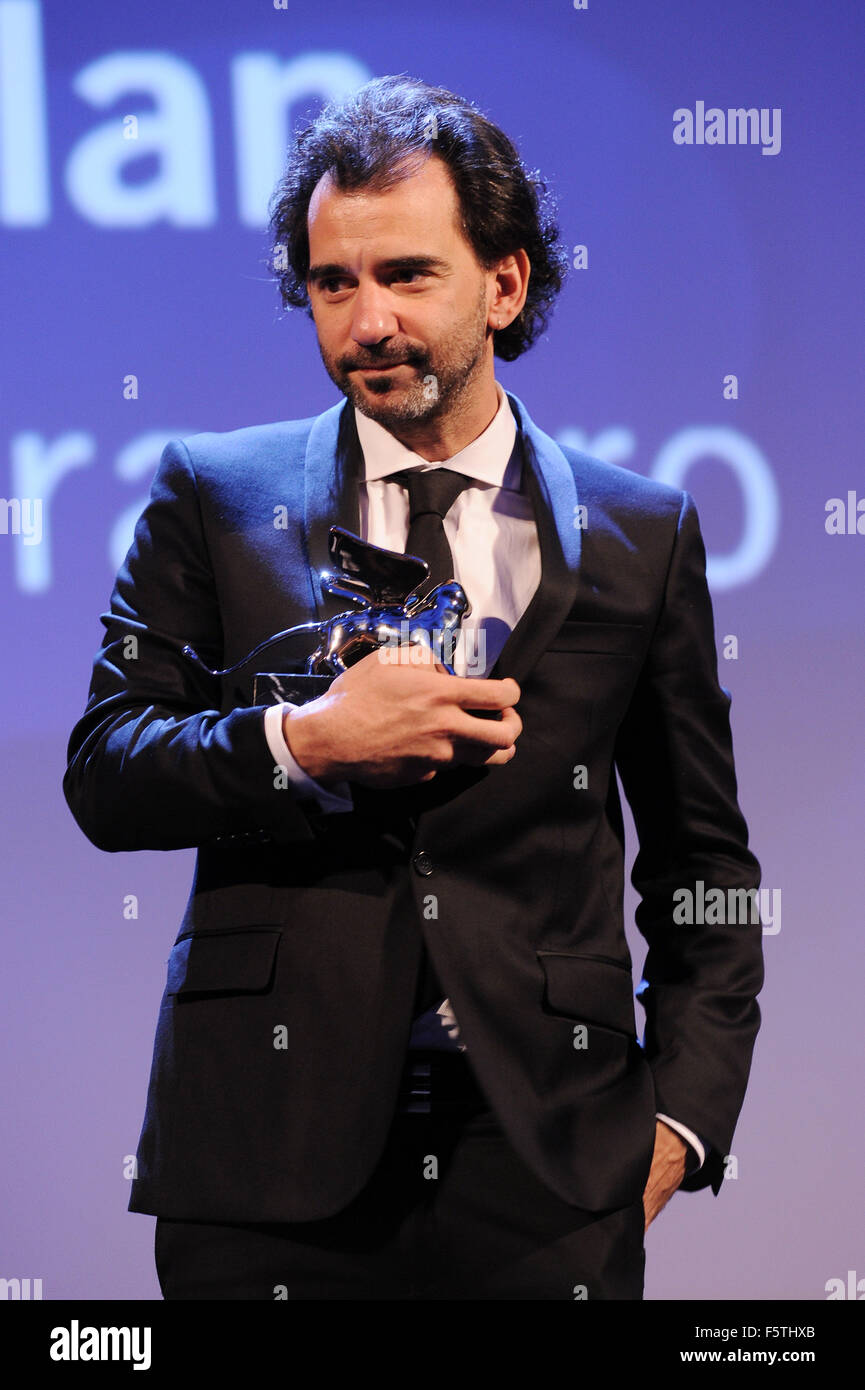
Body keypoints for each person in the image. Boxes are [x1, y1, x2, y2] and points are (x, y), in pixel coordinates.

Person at [63, 75, 763, 1301]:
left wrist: (681, 1126)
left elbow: (703, 863)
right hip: (264, 1161)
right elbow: (105, 770)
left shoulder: (641, 530)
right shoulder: (213, 495)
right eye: (333, 283)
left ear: (506, 283)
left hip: (548, 1164)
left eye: (405, 275)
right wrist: (302, 742)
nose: (365, 320)